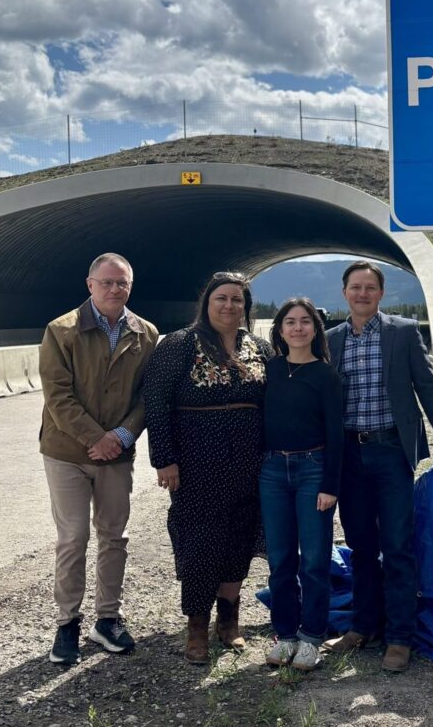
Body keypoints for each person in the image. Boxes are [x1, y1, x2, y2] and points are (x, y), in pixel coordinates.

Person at [324, 260, 433, 672]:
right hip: (349, 456)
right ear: (345, 292)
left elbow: (427, 387)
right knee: (361, 544)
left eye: (370, 288)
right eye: (355, 287)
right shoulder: (331, 340)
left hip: (390, 452)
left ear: (381, 294)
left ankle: (400, 637)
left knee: (398, 546)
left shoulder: (402, 333)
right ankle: (362, 626)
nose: (362, 294)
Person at [144, 271, 273, 664]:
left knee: (240, 537)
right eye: (222, 298)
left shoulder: (261, 348)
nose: (230, 305)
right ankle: (197, 628)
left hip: (249, 463)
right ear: (207, 302)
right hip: (197, 463)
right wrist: (164, 459)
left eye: (238, 300)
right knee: (200, 543)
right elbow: (156, 402)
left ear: (246, 308)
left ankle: (228, 622)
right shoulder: (179, 345)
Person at [39, 253, 159, 665]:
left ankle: (107, 618)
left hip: (116, 455)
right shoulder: (61, 330)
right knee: (73, 537)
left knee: (114, 536)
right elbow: (58, 395)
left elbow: (148, 396)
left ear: (131, 285)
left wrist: (121, 436)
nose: (114, 290)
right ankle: (66, 622)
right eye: (106, 282)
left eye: (121, 283)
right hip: (67, 453)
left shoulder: (146, 334)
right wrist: (97, 438)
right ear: (90, 284)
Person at [260, 297, 344, 670]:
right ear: (279, 329)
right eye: (290, 321)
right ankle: (286, 633)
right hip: (273, 471)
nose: (297, 328)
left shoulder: (326, 375)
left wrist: (331, 484)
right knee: (279, 559)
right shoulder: (270, 370)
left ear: (315, 329)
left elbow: (336, 434)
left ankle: (312, 636)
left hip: (313, 469)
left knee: (312, 559)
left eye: (304, 322)